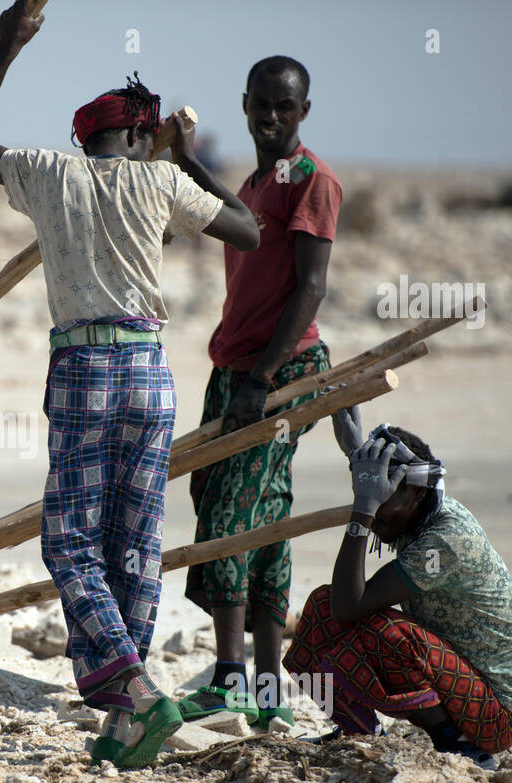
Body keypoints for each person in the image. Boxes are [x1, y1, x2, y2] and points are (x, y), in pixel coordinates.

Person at [0, 1, 259, 768]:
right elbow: (249, 229)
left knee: (70, 539)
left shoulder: (53, 172)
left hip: (86, 367)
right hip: (151, 373)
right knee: (136, 542)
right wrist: (184, 156)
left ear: (90, 138)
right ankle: (125, 722)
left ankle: (135, 687)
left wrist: (7, 46)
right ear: (140, 136)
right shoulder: (161, 183)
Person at [180, 55, 342, 731]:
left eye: (285, 106)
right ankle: (269, 688)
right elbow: (224, 209)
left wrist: (259, 380)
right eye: (261, 105)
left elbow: (310, 287)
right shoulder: (255, 181)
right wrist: (182, 160)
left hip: (280, 371)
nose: (270, 117)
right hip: (236, 368)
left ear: (303, 112)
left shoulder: (312, 180)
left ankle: (227, 680)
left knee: (231, 512)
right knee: (263, 512)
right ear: (245, 104)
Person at [283, 416, 512, 770]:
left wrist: (364, 508)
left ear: (416, 492)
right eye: (373, 493)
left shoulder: (444, 540)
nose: (378, 509)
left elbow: (349, 606)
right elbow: (335, 606)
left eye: (385, 497)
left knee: (387, 633)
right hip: (455, 680)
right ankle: (357, 730)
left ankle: (455, 742)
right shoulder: (415, 510)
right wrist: (357, 459)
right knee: (320, 607)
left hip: (496, 714)